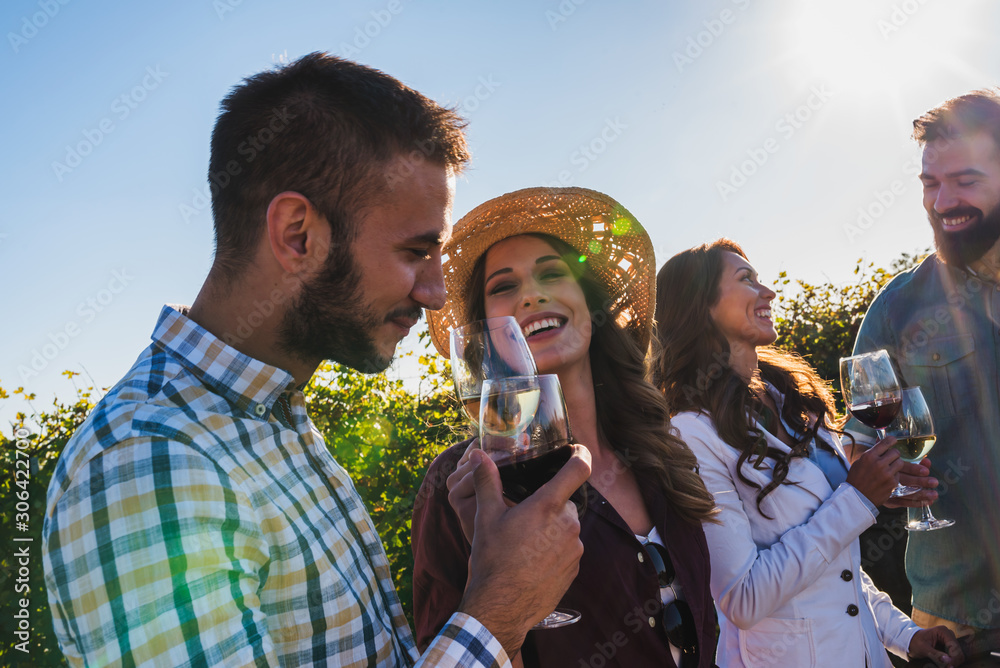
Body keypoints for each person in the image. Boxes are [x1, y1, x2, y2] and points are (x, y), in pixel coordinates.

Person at [41, 53, 591, 667]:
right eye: (415, 251)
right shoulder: (149, 462)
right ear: (298, 234)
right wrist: (498, 612)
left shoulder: (269, 419)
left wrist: (486, 576)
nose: (435, 292)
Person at [412, 187, 720, 668]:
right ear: (484, 333)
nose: (533, 293)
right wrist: (503, 598)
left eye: (553, 273)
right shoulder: (463, 484)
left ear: (589, 304)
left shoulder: (661, 454)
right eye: (503, 286)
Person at [652, 239, 964, 667]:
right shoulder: (691, 432)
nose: (769, 292)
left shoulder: (789, 404)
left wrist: (905, 636)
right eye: (747, 280)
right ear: (700, 307)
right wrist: (856, 498)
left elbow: (836, 568)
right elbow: (742, 599)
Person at [850, 89, 1000, 642]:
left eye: (965, 181)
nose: (943, 203)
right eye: (930, 184)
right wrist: (889, 483)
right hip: (955, 623)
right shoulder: (898, 306)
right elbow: (860, 446)